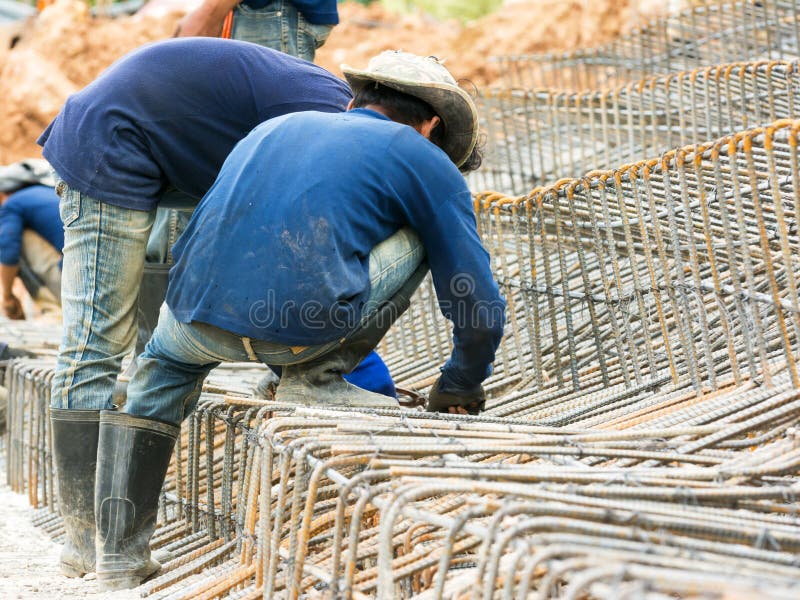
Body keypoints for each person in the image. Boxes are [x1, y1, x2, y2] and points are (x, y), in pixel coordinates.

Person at [97, 50, 504, 590]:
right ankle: (315, 378)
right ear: (431, 123)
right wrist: (460, 383)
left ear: (357, 99)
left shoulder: (276, 127)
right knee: (423, 237)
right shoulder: (421, 156)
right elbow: (474, 296)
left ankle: (119, 556)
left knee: (157, 377)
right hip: (297, 332)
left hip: (189, 318)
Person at [37, 37, 351, 585]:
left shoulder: (338, 118)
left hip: (161, 156)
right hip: (111, 146)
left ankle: (104, 546)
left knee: (129, 341)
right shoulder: (329, 120)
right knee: (95, 342)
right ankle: (86, 543)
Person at [0, 182, 62, 319]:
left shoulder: (10, 205)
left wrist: (7, 297)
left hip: (78, 282)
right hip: (101, 277)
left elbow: (9, 254)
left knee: (13, 239)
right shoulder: (45, 192)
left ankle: (55, 312)